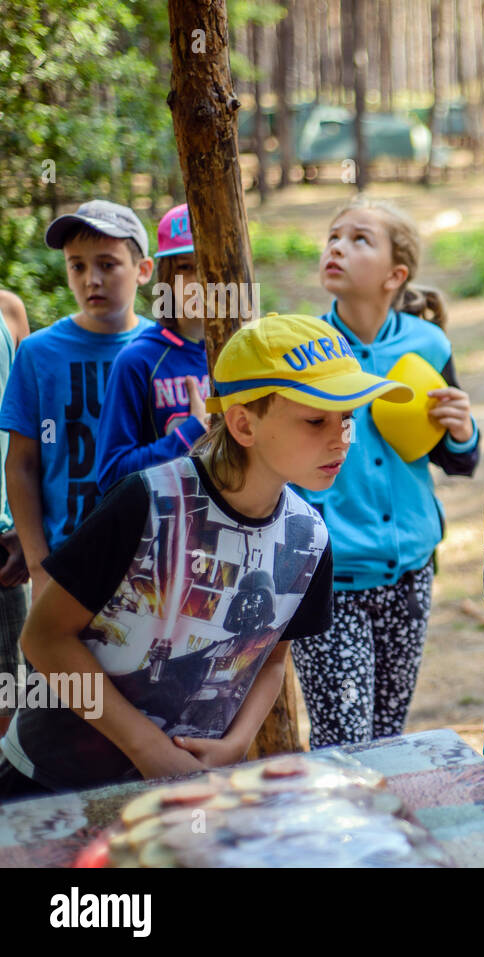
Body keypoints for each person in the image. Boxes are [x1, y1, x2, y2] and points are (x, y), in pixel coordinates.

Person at [0, 313, 413, 799]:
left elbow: (273, 660)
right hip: (50, 781)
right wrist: (146, 748)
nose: (341, 437)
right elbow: (44, 639)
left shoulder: (311, 539)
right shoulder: (145, 501)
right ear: (243, 423)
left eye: (347, 418)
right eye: (315, 419)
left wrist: (236, 744)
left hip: (182, 792)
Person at [292, 197, 480, 749]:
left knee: (386, 737)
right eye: (333, 236)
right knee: (342, 742)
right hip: (330, 577)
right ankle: (343, 834)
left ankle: (376, 833)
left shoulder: (429, 344)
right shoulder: (305, 348)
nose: (337, 247)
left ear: (395, 275)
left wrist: (462, 429)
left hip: (411, 574)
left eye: (358, 239)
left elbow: (455, 459)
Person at [0, 201, 156, 604]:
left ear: (143, 271)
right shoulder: (38, 353)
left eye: (107, 264)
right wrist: (39, 566)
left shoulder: (164, 352)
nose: (92, 280)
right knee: (60, 668)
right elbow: (22, 464)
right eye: (77, 266)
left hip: (153, 567)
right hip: (65, 569)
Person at [97, 203, 212, 492]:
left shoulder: (242, 353)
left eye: (209, 263)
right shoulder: (138, 360)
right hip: (161, 529)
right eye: (186, 268)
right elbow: (111, 474)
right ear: (167, 278)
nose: (199, 281)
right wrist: (190, 433)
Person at [0, 290, 31, 736]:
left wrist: (26, 528)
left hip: (2, 547)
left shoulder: (9, 310)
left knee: (11, 701)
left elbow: (30, 441)